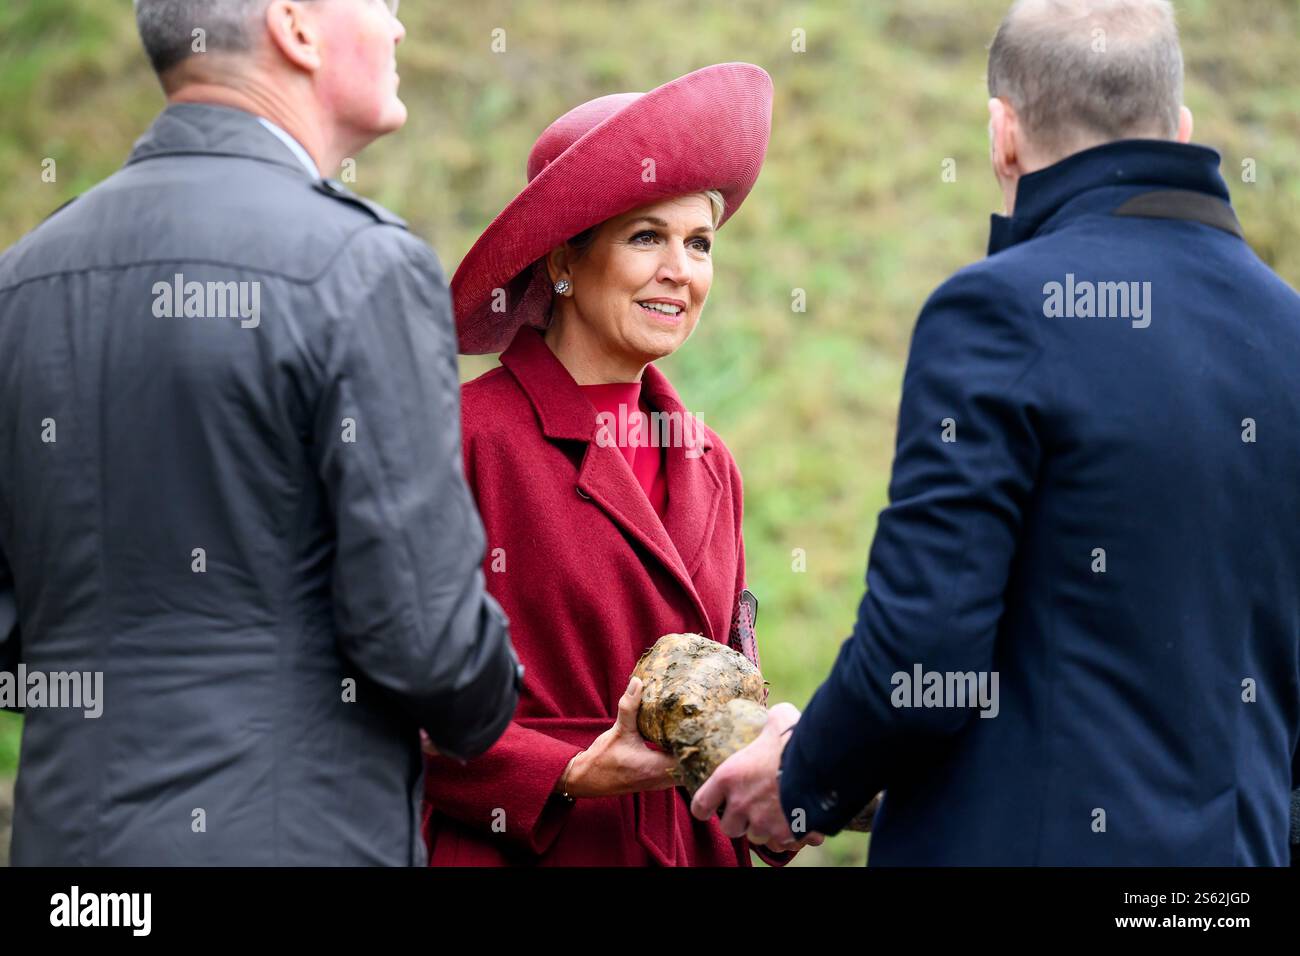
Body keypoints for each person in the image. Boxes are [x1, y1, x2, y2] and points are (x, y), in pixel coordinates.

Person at [693, 0, 1300, 866]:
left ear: (1002, 134)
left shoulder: (999, 312)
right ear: (1182, 126)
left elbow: (926, 654)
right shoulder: (1290, 333)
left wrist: (798, 778)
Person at [0, 0, 521, 866]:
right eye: (382, 5)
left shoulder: (19, 284)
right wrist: (492, 702)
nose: (397, 29)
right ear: (295, 26)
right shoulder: (357, 267)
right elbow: (423, 636)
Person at [422, 63, 812, 866]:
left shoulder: (709, 460)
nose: (681, 270)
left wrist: (772, 753)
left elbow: (724, 689)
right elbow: (374, 696)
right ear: (563, 262)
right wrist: (566, 771)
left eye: (698, 243)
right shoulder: (463, 439)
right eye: (647, 237)